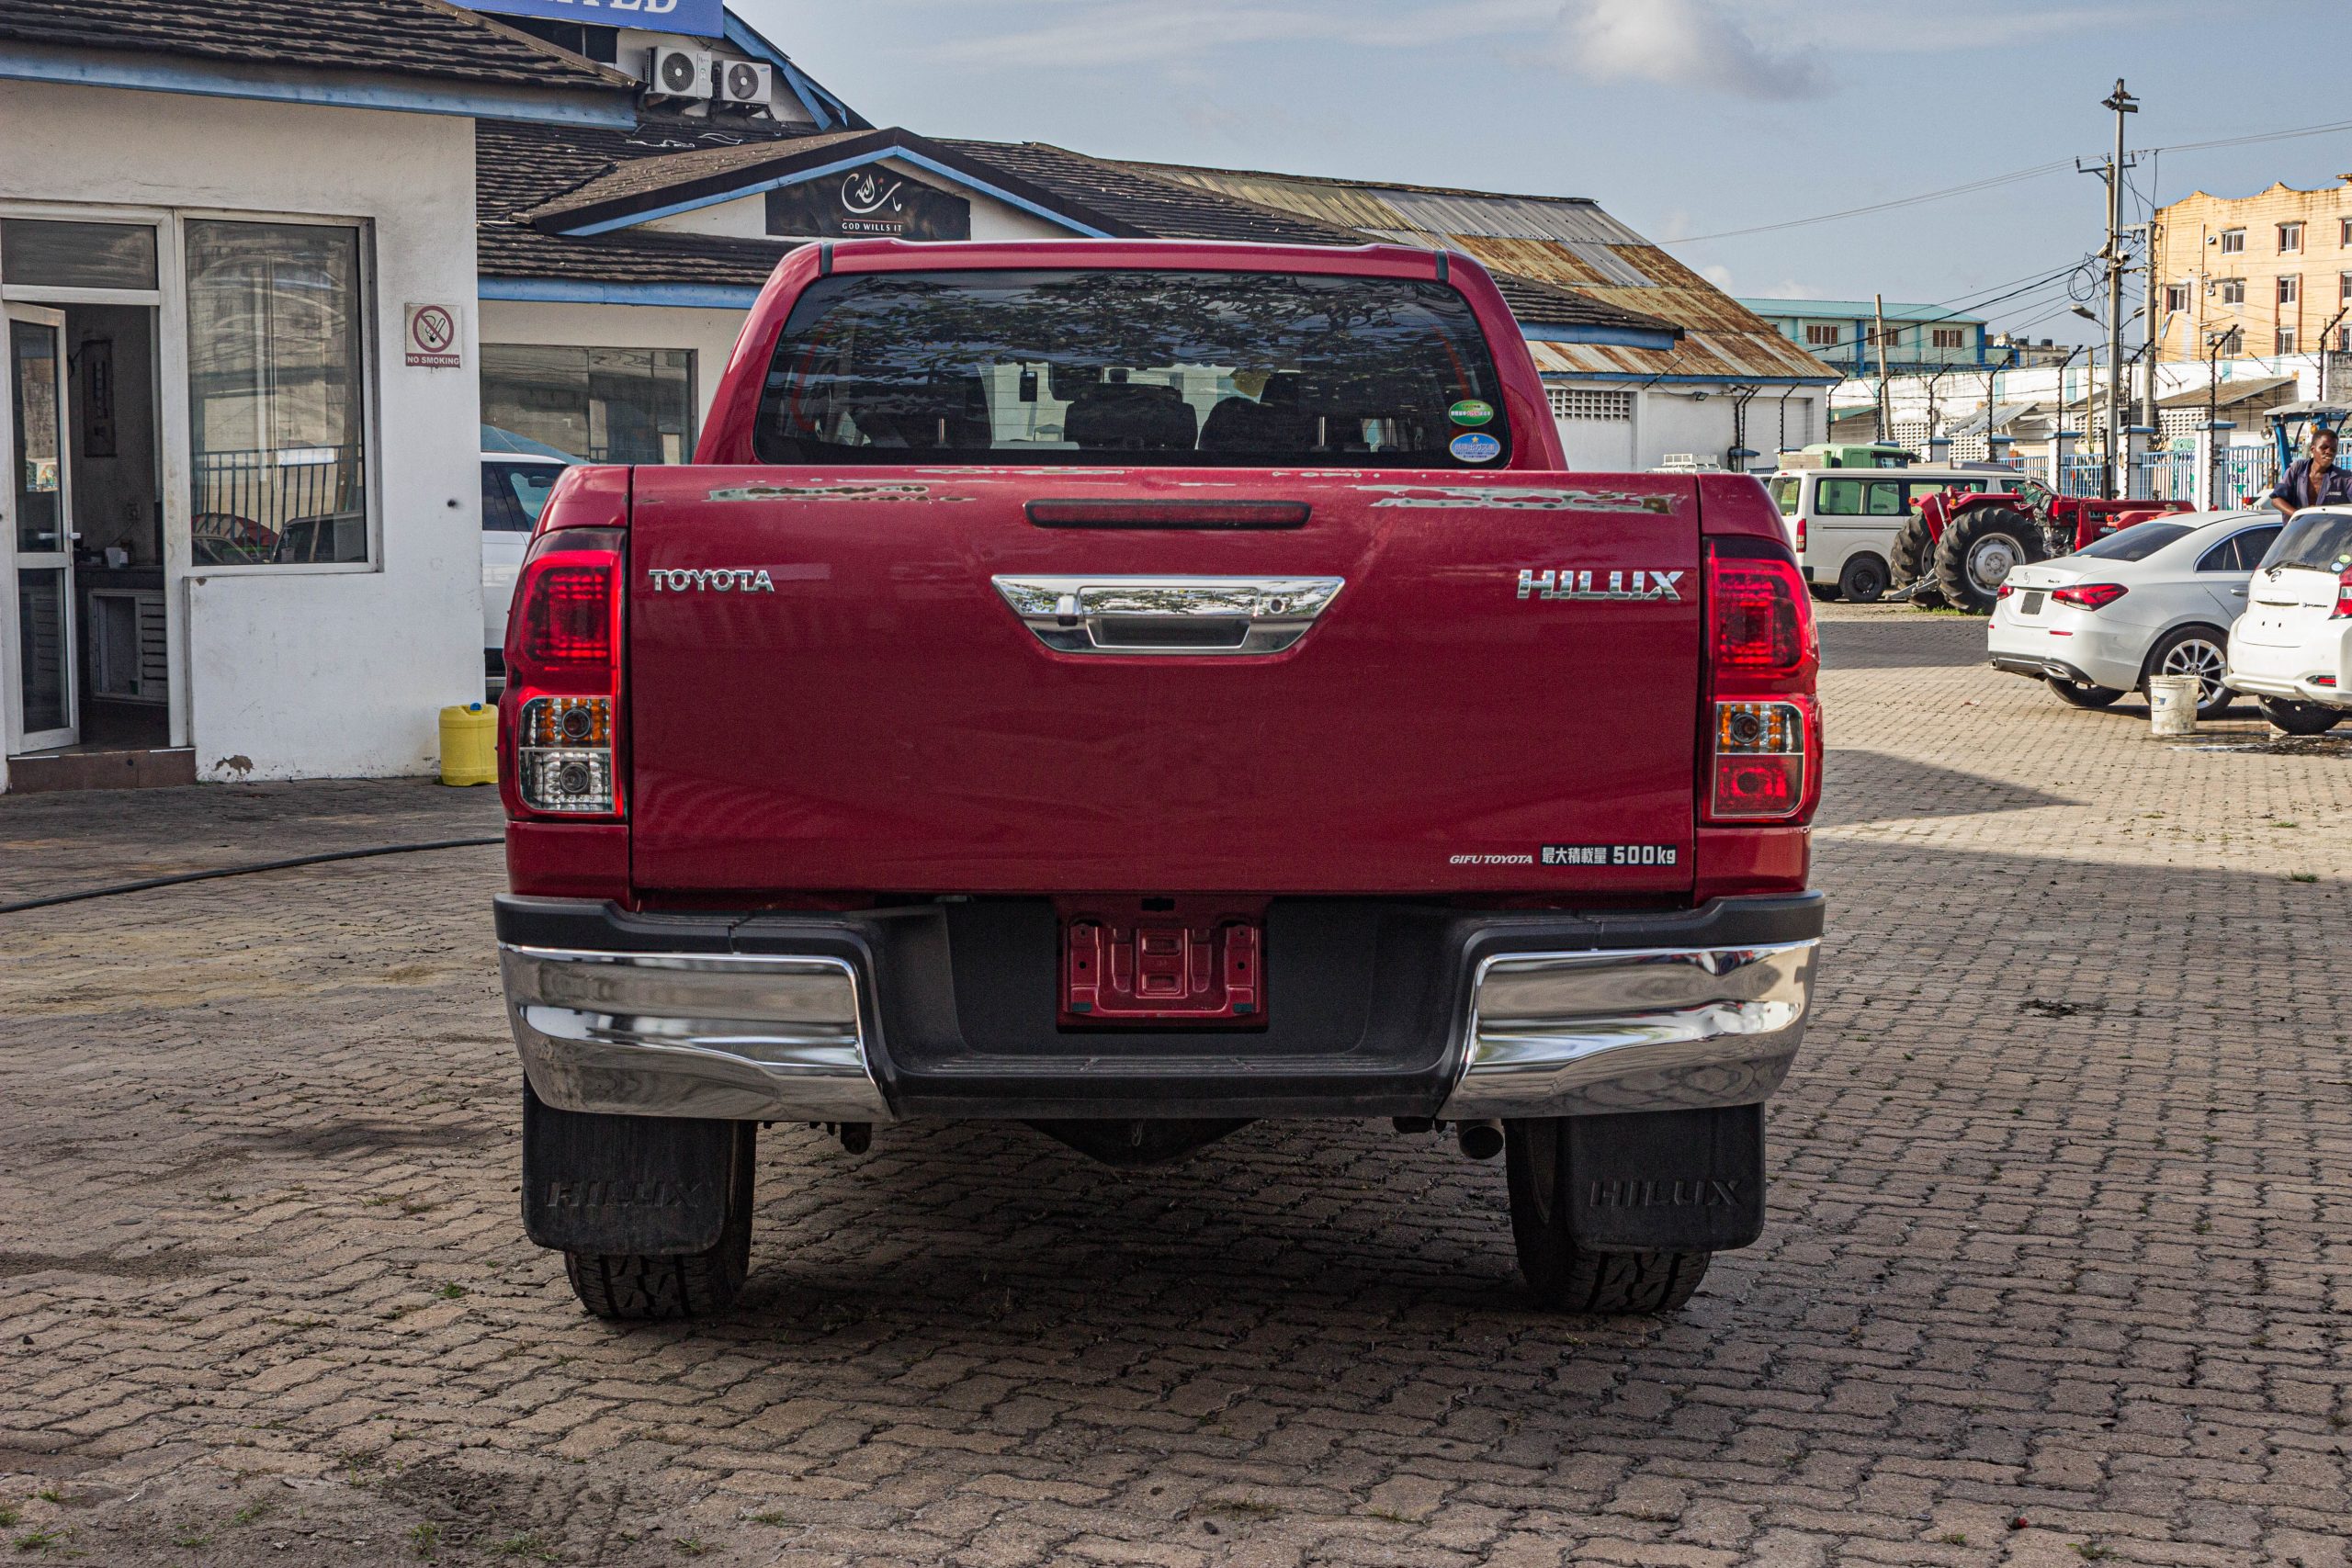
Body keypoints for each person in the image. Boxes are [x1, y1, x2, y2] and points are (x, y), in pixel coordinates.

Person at [2268, 426, 2352, 517]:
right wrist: (2299, 516)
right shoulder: (2297, 469)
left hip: (2330, 531)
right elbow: (2276, 499)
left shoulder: (2344, 478)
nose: (2329, 452)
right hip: (2299, 530)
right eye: (2324, 447)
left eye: (2333, 449)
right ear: (2313, 449)